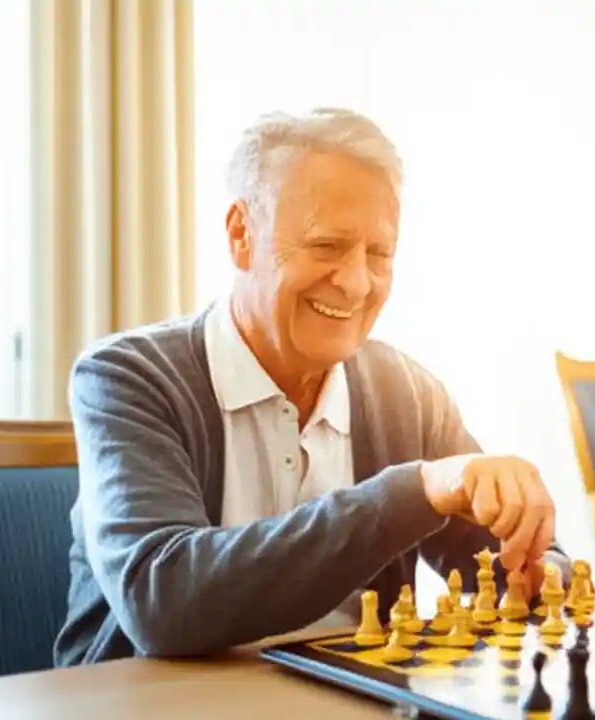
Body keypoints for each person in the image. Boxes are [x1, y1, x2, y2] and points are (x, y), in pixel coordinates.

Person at [54, 108, 566, 666]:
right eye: (327, 245)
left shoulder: (407, 393)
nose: (356, 283)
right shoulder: (127, 378)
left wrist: (537, 562)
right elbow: (163, 603)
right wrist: (413, 492)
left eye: (379, 254)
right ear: (241, 235)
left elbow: (503, 566)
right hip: (153, 700)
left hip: (354, 698)